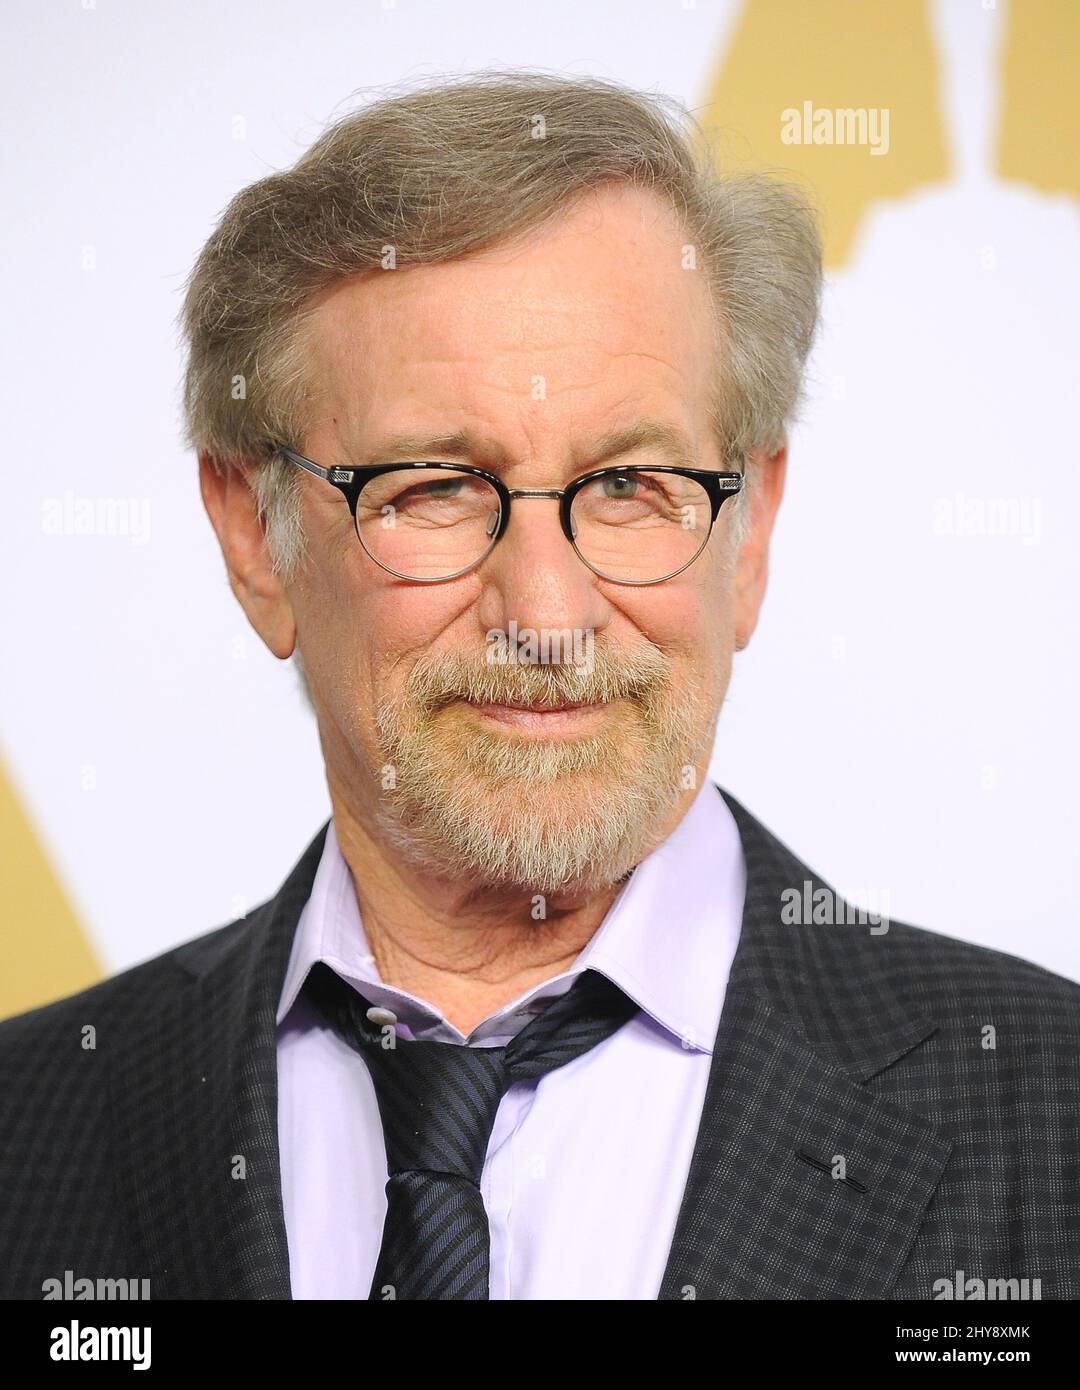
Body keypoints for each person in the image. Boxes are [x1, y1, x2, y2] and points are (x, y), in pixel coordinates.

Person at [2, 71, 1077, 1302]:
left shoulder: (1051, 1116)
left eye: (628, 487)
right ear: (256, 536)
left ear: (754, 528)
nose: (548, 614)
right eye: (435, 488)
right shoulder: (35, 1120)